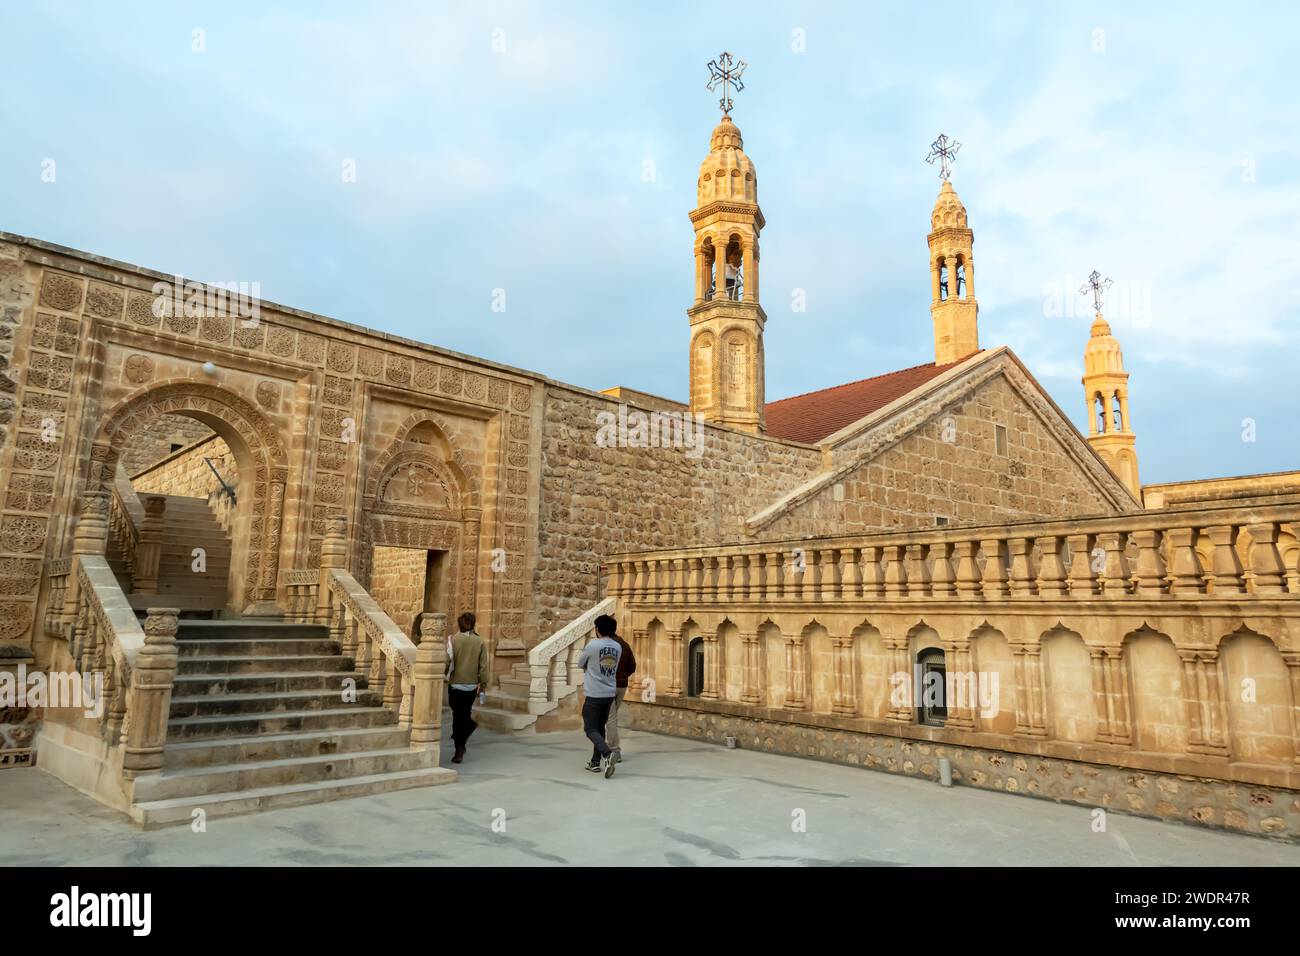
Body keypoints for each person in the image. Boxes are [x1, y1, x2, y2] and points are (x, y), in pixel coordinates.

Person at [577, 614, 622, 778]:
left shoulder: (593, 645)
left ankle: (607, 753)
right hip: (609, 693)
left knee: (589, 728)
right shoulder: (617, 647)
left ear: (598, 629)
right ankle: (595, 763)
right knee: (600, 727)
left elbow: (580, 663)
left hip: (594, 693)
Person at [446, 611, 488, 764]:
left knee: (457, 716)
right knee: (463, 714)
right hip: (471, 686)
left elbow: (447, 661)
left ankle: (459, 748)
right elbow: (483, 666)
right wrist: (483, 685)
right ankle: (467, 728)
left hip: (455, 684)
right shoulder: (480, 641)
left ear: (459, 624)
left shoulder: (453, 640)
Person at [605, 622, 636, 763]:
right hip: (622, 685)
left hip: (608, 686)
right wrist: (623, 676)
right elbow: (632, 666)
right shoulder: (624, 644)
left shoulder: (607, 646)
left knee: (610, 718)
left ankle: (614, 751)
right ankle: (607, 747)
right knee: (610, 717)